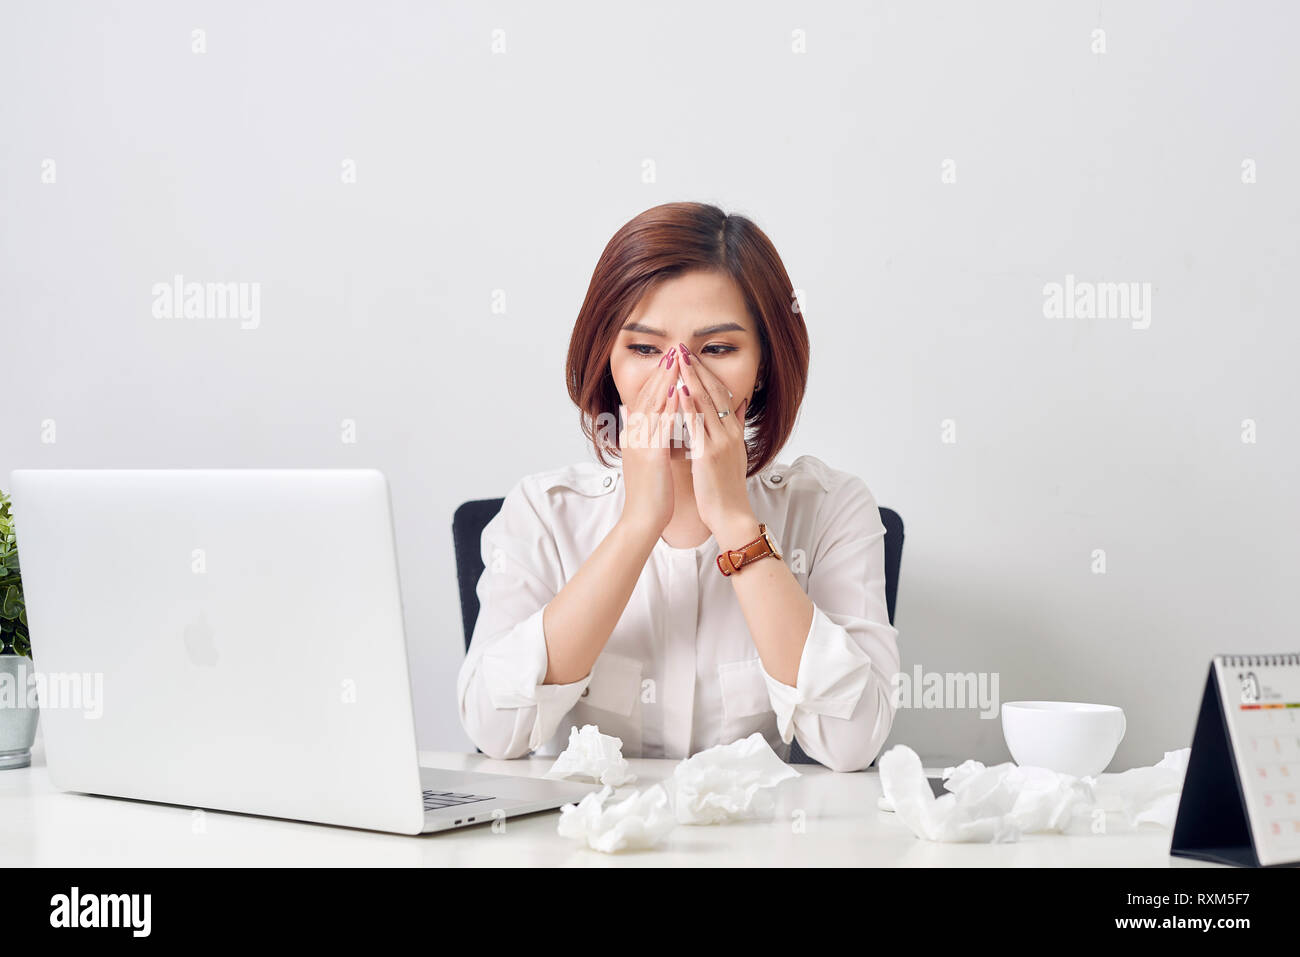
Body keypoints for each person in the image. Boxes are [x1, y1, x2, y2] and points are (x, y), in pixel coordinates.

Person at [456, 201, 899, 773]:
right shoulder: (544, 512)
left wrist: (737, 525)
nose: (680, 380)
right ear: (606, 359)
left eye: (717, 350)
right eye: (644, 350)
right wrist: (639, 525)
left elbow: (853, 743)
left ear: (762, 364)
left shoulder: (832, 508)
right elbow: (495, 732)